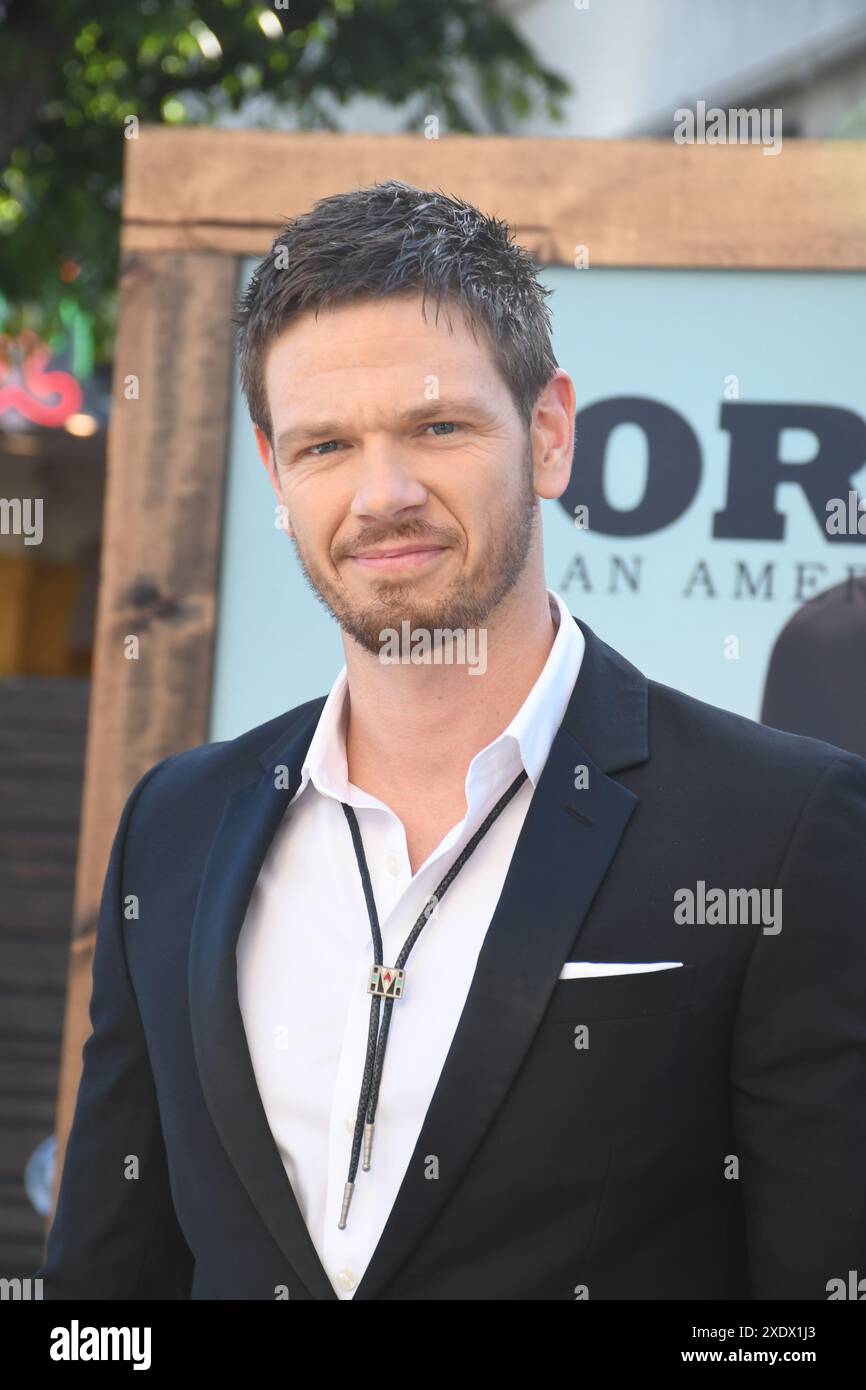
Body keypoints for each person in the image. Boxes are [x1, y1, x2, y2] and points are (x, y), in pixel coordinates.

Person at [37, 181, 866, 1300]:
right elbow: (107, 1290)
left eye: (436, 426)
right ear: (275, 472)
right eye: (326, 444)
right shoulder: (175, 826)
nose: (382, 495)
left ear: (548, 432)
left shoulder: (781, 826)